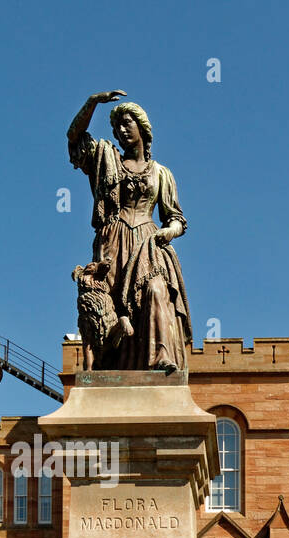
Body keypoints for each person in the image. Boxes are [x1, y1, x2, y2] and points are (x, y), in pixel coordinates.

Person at [67, 90, 192, 372]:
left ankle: (161, 359)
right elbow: (74, 138)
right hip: (112, 243)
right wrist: (91, 103)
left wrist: (169, 232)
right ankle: (105, 371)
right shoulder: (104, 158)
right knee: (109, 311)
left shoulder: (161, 173)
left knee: (156, 290)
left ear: (142, 127)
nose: (121, 131)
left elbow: (176, 218)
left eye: (127, 124)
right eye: (116, 127)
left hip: (149, 242)